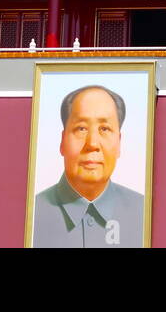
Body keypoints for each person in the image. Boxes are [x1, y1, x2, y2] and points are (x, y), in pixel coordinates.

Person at [32, 85, 143, 248]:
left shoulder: (145, 214)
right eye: (81, 128)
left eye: (104, 129)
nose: (92, 143)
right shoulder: (30, 214)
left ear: (119, 142)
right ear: (62, 141)